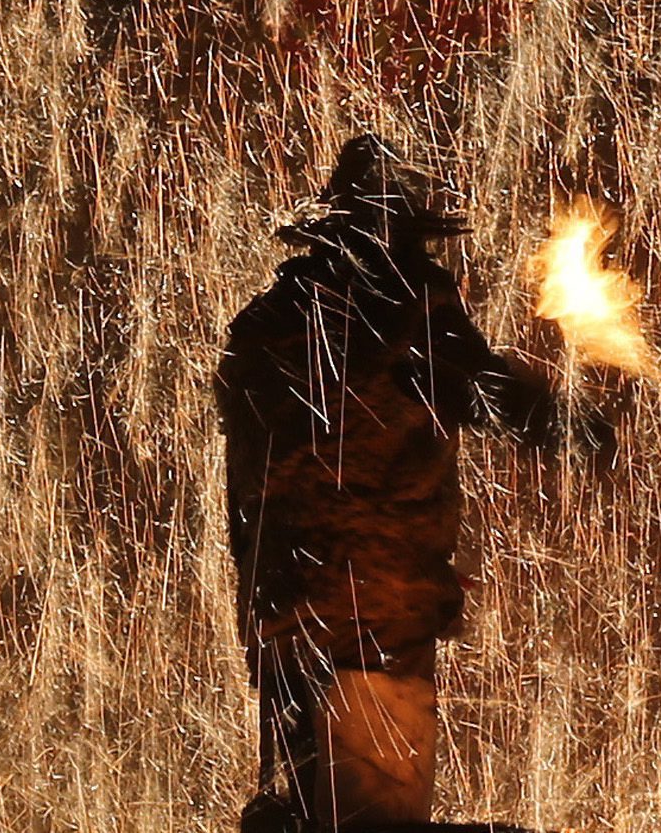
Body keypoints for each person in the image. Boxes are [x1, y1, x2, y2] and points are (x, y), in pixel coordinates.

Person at [216, 135, 613, 832]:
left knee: (301, 806)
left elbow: (242, 491)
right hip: (376, 616)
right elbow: (490, 394)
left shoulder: (263, 326)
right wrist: (582, 427)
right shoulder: (405, 310)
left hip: (283, 613)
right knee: (376, 815)